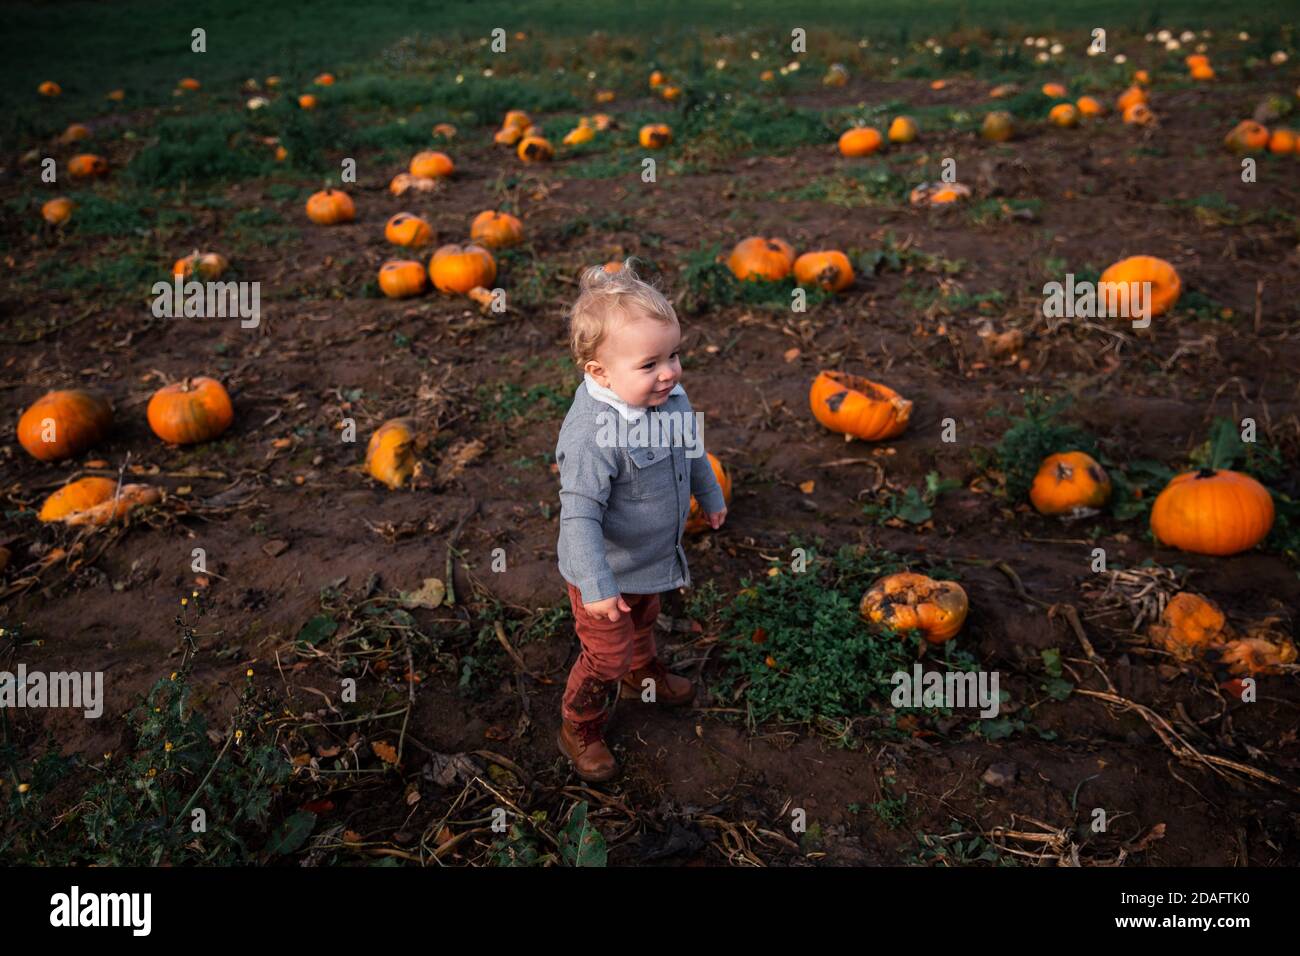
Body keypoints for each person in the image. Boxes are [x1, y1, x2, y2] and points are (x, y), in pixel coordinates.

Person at [554, 259, 727, 781]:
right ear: (599, 372)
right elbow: (579, 516)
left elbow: (693, 452)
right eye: (650, 364)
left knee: (646, 618)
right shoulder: (592, 435)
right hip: (604, 573)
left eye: (673, 355)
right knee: (604, 654)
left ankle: (641, 670)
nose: (670, 372)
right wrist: (598, 584)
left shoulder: (670, 399)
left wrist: (710, 494)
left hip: (652, 557)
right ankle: (578, 725)